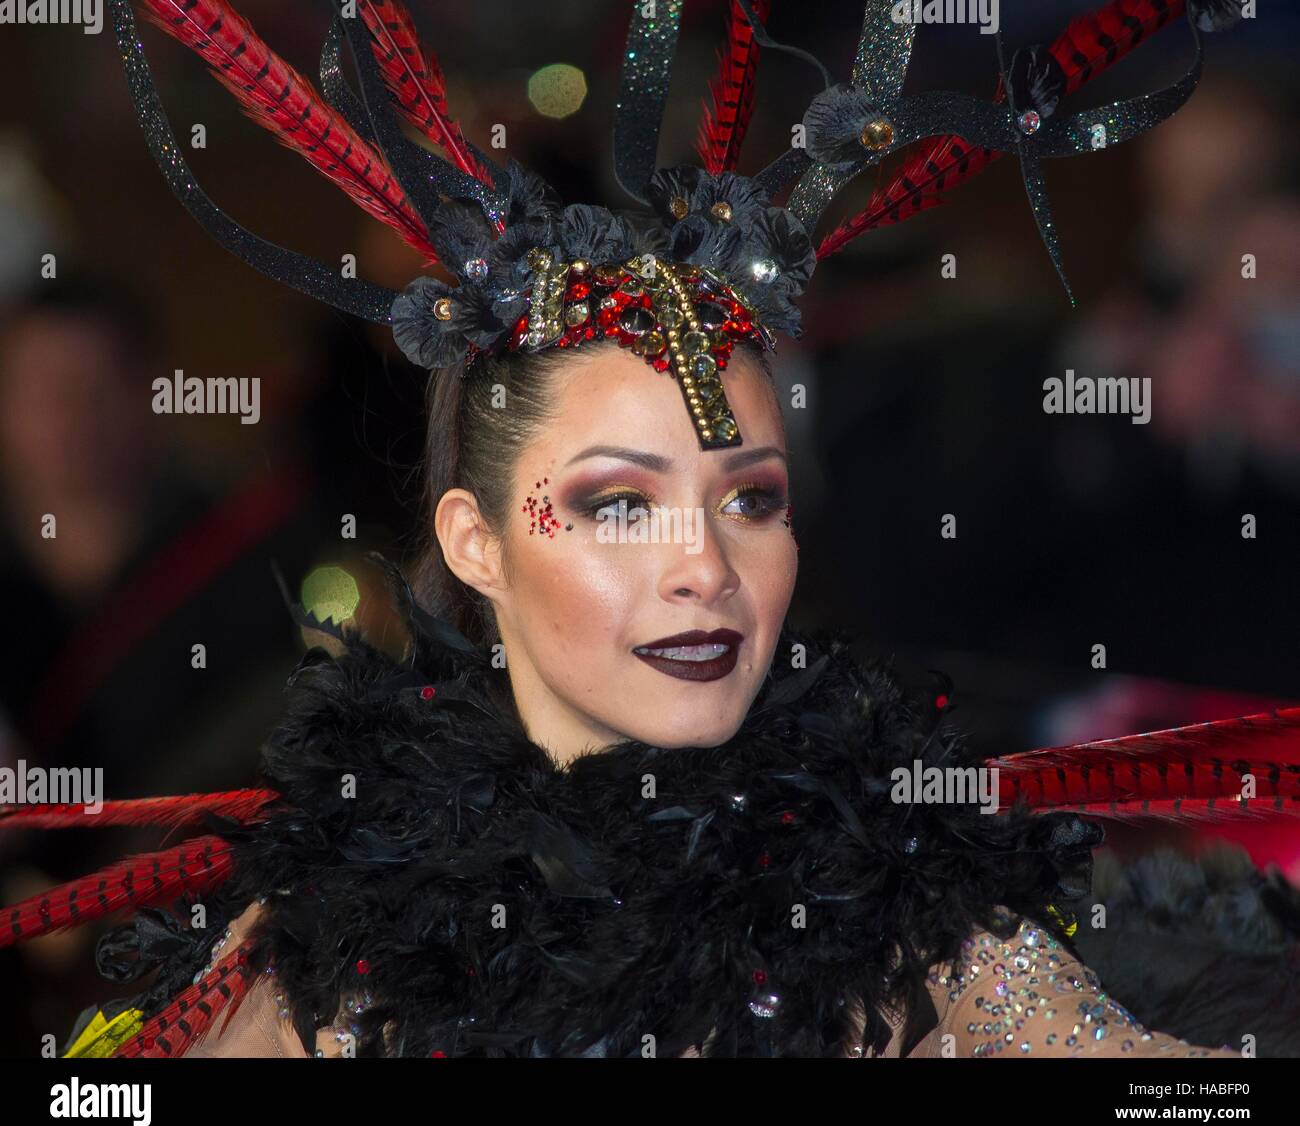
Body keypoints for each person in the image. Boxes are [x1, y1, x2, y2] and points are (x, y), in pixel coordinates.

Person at [3, 0, 1296, 1058]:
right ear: (475, 542)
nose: (707, 569)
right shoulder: (318, 954)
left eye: (751, 500)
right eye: (621, 502)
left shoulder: (900, 909)